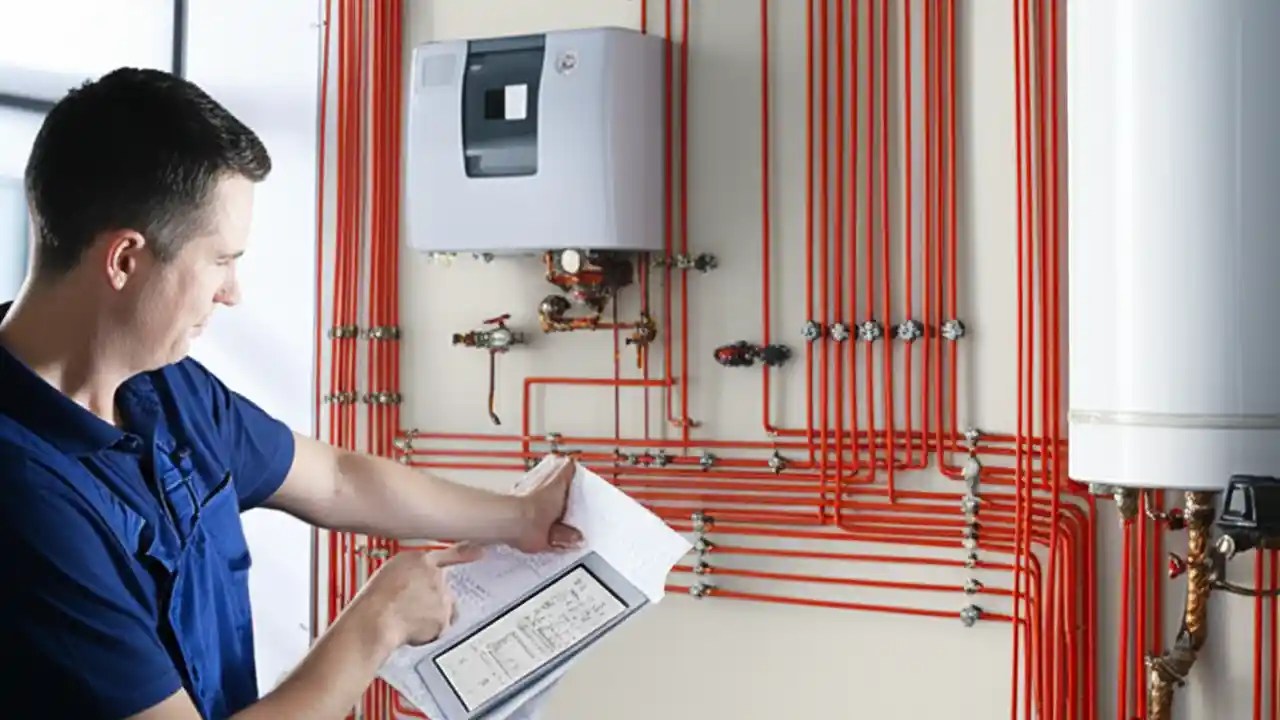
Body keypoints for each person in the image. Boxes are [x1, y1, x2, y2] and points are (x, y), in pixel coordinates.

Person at [0, 67, 582, 719]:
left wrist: (522, 518)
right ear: (125, 259)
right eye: (222, 260)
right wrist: (376, 623)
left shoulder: (163, 387)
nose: (232, 292)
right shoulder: (23, 495)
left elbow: (336, 479)